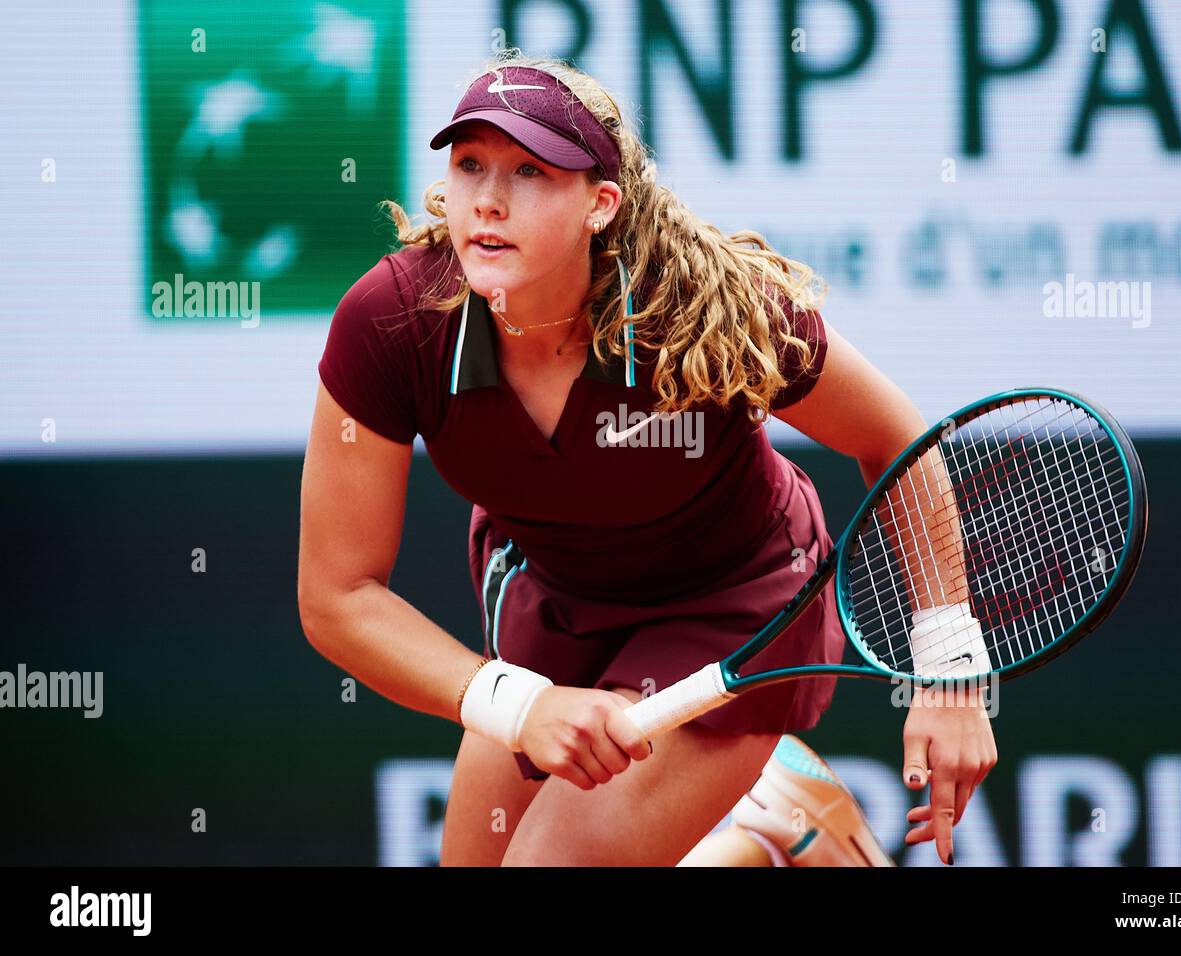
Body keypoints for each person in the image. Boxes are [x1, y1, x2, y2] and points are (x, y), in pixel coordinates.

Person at [298, 51, 996, 867]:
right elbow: (337, 597)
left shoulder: (710, 307)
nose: (487, 199)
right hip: (557, 597)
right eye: (470, 165)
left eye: (530, 170)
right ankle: (759, 836)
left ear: (601, 204)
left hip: (735, 603)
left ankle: (769, 820)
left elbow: (895, 440)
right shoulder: (393, 321)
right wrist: (519, 703)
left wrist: (950, 672)